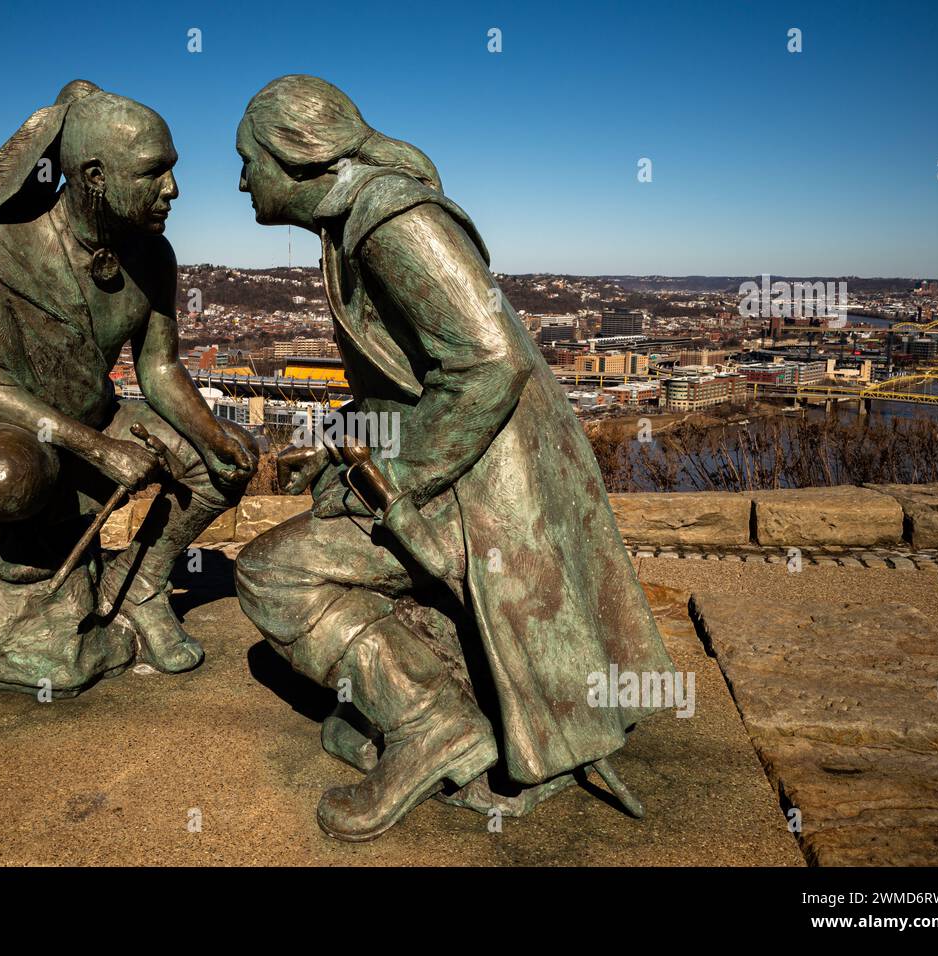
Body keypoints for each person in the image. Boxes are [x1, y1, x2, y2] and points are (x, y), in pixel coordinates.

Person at [233, 75, 674, 840]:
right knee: (321, 541)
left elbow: (490, 362)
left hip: (482, 497)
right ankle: (447, 698)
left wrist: (395, 476)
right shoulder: (356, 224)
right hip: (467, 472)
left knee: (273, 572)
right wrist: (352, 447)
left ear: (294, 158)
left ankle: (429, 723)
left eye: (248, 160)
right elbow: (409, 385)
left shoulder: (388, 218)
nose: (240, 179)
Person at [0, 80, 257, 693]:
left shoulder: (152, 257)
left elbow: (158, 369)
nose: (173, 190)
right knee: (12, 480)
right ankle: (5, 583)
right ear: (97, 177)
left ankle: (142, 584)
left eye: (172, 171)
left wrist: (210, 434)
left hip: (94, 415)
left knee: (222, 460)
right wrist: (99, 449)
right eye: (154, 173)